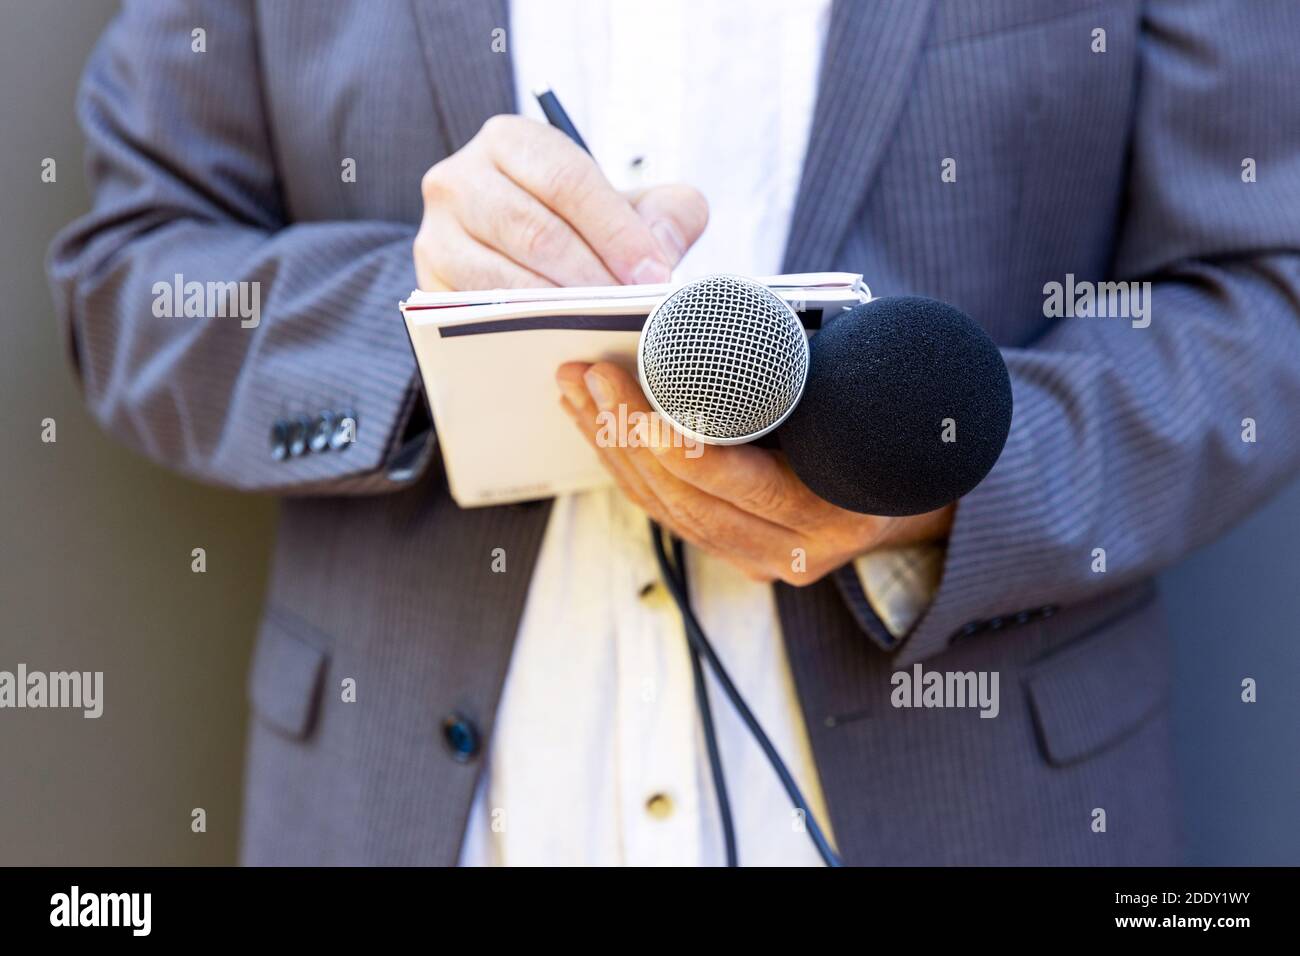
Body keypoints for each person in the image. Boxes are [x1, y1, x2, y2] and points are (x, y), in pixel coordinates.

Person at [49, 0, 1300, 865]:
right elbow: (131, 279)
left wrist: (945, 483)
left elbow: (1262, 288)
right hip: (411, 807)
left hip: (980, 804)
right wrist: (416, 312)